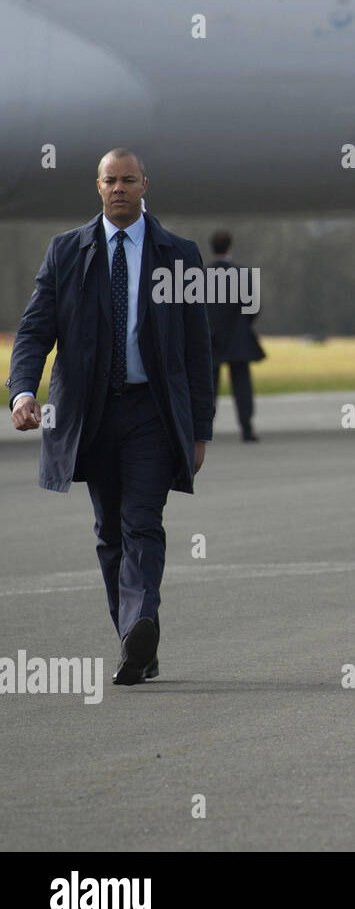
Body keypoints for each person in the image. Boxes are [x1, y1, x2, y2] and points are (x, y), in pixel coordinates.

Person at [6, 148, 214, 685]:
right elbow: (34, 332)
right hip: (91, 415)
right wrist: (23, 391)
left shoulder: (179, 255)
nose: (119, 188)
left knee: (142, 522)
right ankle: (136, 640)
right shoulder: (66, 252)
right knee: (109, 533)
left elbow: (197, 351)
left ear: (146, 184)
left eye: (128, 180)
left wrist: (200, 429)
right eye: (109, 181)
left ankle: (140, 620)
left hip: (152, 413)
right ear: (97, 187)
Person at [207, 230, 265, 442]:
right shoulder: (243, 274)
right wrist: (242, 326)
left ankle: (206, 429)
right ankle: (246, 428)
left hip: (211, 339)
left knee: (208, 388)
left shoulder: (201, 275)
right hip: (237, 337)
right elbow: (254, 307)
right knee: (242, 386)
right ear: (230, 247)